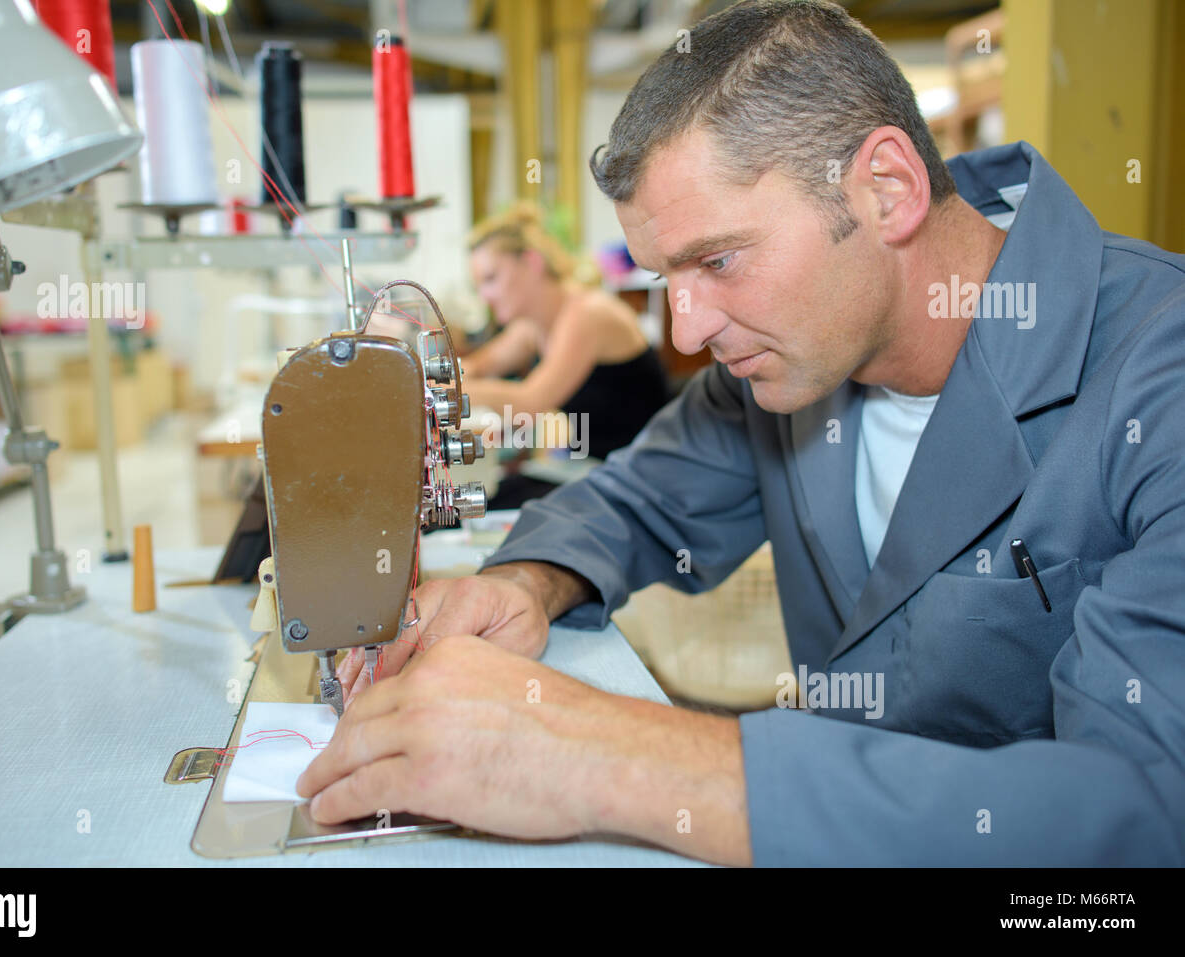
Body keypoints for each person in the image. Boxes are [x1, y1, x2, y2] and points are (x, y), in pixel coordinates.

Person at [300, 0, 1185, 866]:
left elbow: (1143, 816)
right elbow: (640, 499)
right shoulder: (795, 365)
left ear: (887, 188)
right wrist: (529, 583)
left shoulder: (1160, 372)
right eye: (666, 278)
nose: (685, 332)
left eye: (718, 261)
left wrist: (607, 754)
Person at [461, 203, 672, 467]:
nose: (484, 296)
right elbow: (480, 367)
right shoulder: (532, 326)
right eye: (478, 285)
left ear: (531, 262)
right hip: (592, 465)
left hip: (641, 469)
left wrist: (454, 392)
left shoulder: (587, 313)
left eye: (491, 278)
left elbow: (530, 401)